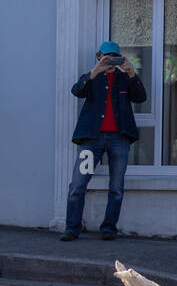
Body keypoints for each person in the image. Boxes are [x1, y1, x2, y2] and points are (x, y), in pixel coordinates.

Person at [61, 41, 147, 241]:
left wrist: (131, 72)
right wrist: (95, 71)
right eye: (106, 57)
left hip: (119, 139)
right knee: (78, 184)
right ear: (99, 56)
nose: (109, 61)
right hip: (92, 140)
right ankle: (72, 228)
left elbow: (140, 97)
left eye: (114, 57)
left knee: (116, 187)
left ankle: (108, 228)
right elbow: (76, 91)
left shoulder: (124, 79)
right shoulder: (92, 77)